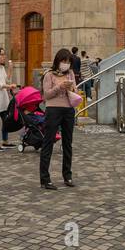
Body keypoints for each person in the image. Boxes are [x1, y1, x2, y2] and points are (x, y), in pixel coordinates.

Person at [39, 49, 78, 190]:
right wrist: (59, 87)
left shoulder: (71, 73)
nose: (66, 64)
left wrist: (72, 89)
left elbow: (75, 91)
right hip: (53, 110)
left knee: (68, 143)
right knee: (48, 142)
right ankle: (45, 178)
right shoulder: (49, 74)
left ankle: (67, 175)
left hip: (68, 110)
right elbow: (46, 95)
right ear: (58, 61)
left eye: (68, 62)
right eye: (64, 61)